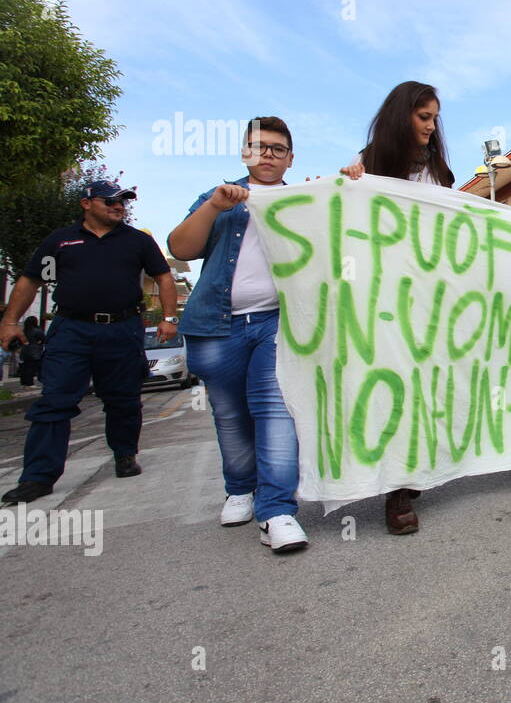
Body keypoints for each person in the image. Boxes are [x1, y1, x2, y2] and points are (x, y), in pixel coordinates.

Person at [167, 117, 307, 554]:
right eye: (258, 146)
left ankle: (277, 510)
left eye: (277, 148)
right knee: (230, 414)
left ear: (290, 157)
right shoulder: (221, 197)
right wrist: (213, 206)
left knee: (276, 411)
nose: (267, 154)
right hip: (216, 325)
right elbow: (182, 249)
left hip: (278, 322)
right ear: (244, 153)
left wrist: (348, 183)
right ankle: (239, 489)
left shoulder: (303, 200)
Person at [0, 182, 176, 505]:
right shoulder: (61, 240)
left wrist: (168, 317)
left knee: (123, 399)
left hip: (122, 328)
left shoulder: (138, 241)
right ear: (86, 203)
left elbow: (164, 277)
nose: (118, 206)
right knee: (54, 400)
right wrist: (10, 321)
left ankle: (124, 454)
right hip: (71, 329)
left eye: (123, 201)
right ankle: (37, 477)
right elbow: (30, 280)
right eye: (110, 201)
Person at [339, 81, 455, 534]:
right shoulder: (368, 163)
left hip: (433, 292)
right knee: (395, 383)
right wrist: (347, 184)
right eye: (423, 117)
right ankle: (398, 492)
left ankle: (412, 469)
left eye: (434, 118)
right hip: (385, 293)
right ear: (401, 115)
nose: (430, 126)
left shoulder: (440, 168)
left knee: (426, 384)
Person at [18, 316, 45, 386]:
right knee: (32, 368)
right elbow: (44, 339)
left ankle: (24, 383)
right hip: (34, 351)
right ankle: (30, 383)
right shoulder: (37, 330)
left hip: (24, 350)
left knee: (24, 367)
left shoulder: (24, 331)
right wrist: (39, 342)